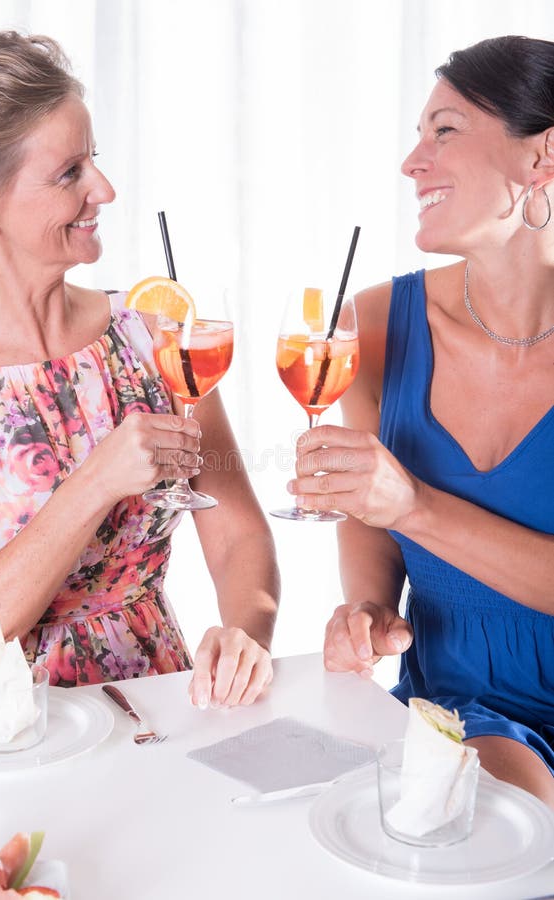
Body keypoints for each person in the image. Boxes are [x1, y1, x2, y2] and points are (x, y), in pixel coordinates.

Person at [0, 30, 279, 706]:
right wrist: (93, 483)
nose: (104, 188)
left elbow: (238, 533)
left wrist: (245, 633)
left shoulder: (152, 335)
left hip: (166, 699)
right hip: (15, 732)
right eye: (69, 172)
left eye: (93, 158)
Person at [288, 35, 554, 808]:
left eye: (443, 130)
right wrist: (367, 606)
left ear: (538, 158)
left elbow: (400, 501)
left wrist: (417, 507)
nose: (412, 162)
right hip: (453, 714)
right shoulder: (374, 323)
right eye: (415, 136)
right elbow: (368, 515)